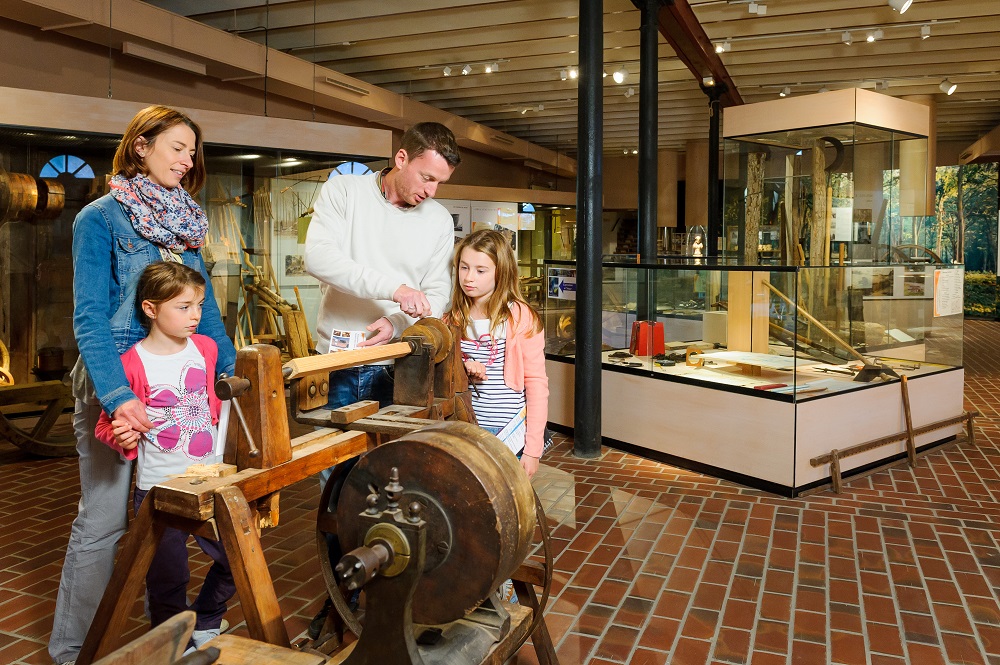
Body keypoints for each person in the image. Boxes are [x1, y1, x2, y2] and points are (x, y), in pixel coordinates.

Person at [51, 106, 236, 665]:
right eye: (176, 148)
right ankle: (71, 653)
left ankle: (175, 633)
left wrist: (227, 375)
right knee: (104, 521)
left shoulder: (186, 223)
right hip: (121, 387)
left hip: (179, 388)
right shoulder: (100, 219)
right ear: (141, 147)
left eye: (191, 151)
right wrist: (119, 397)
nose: (187, 160)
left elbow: (204, 313)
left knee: (176, 511)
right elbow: (89, 318)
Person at [302, 121, 460, 637]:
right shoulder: (345, 191)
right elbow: (320, 258)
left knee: (399, 481)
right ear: (400, 158)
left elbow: (434, 294)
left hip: (402, 365)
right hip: (340, 363)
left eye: (439, 183)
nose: (430, 192)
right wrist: (392, 288)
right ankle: (341, 595)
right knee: (338, 486)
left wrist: (394, 320)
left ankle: (388, 595)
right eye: (426, 177)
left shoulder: (436, 220)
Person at [96, 262, 234, 651]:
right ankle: (175, 645)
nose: (196, 316)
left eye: (199, 306)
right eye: (184, 307)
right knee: (167, 579)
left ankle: (207, 616)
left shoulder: (205, 349)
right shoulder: (128, 365)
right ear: (151, 309)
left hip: (210, 481)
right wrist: (122, 435)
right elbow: (104, 427)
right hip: (158, 490)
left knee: (237, 559)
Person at [447, 229, 549, 479]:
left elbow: (536, 383)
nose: (469, 278)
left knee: (508, 509)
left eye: (481, 271)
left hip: (509, 432)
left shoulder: (520, 317)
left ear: (501, 273)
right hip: (465, 428)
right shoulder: (452, 317)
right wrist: (464, 364)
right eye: (464, 267)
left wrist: (533, 450)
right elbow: (443, 369)